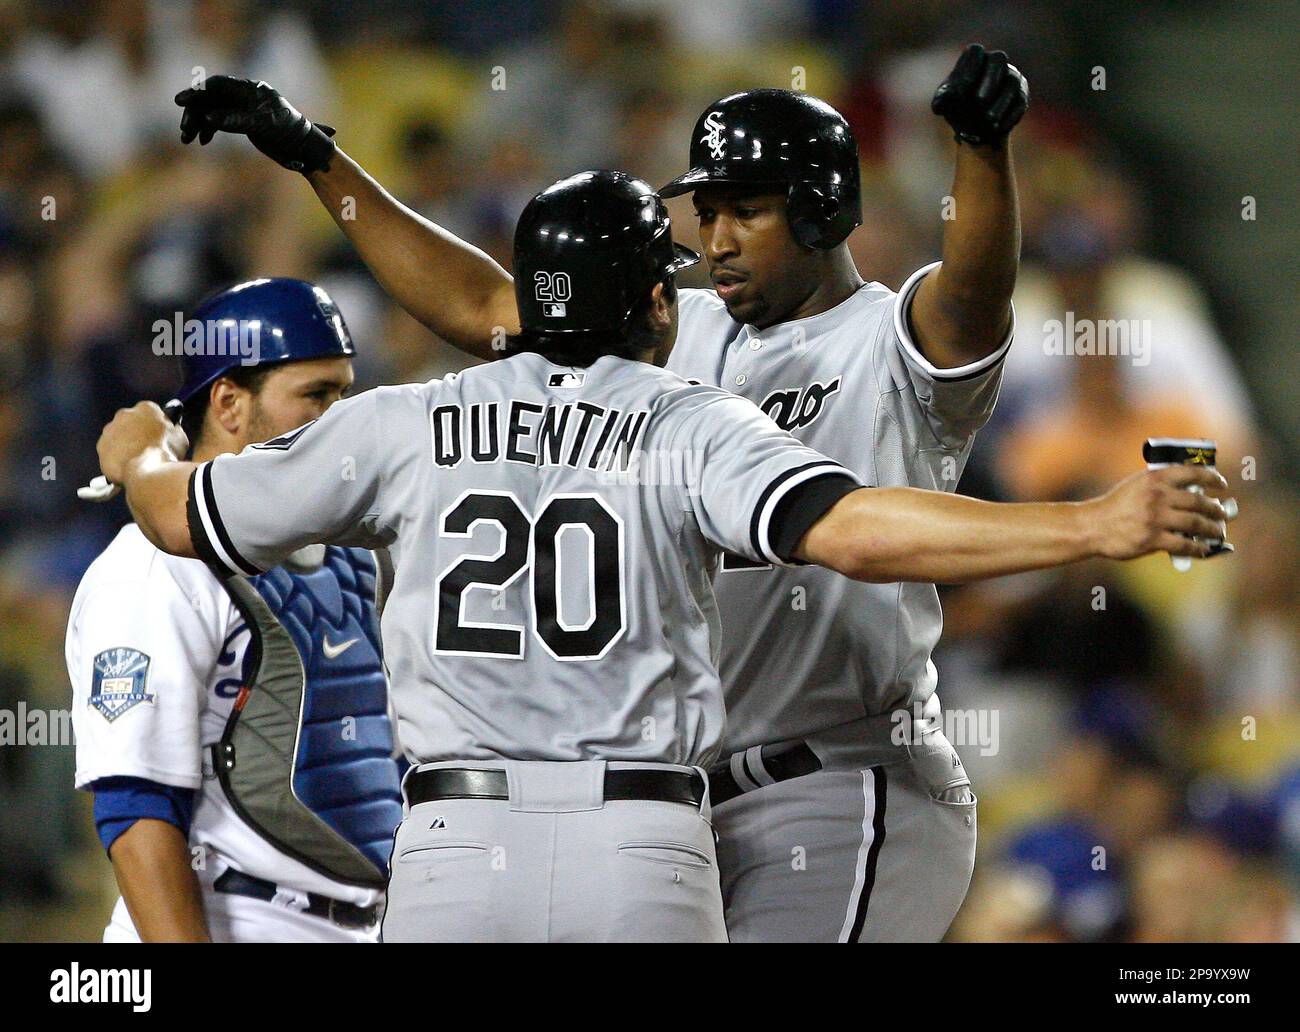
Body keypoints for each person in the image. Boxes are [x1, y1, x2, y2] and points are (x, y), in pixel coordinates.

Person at [94, 170, 1231, 943]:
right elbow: (857, 529)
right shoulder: (690, 420)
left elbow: (180, 517)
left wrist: (143, 449)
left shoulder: (403, 419)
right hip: (639, 840)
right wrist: (1088, 524)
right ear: (647, 296)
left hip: (452, 840)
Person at [66, 278, 403, 942]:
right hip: (233, 918)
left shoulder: (352, 551)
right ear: (228, 403)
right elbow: (137, 809)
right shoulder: (157, 566)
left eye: (345, 392)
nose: (341, 420)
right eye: (316, 396)